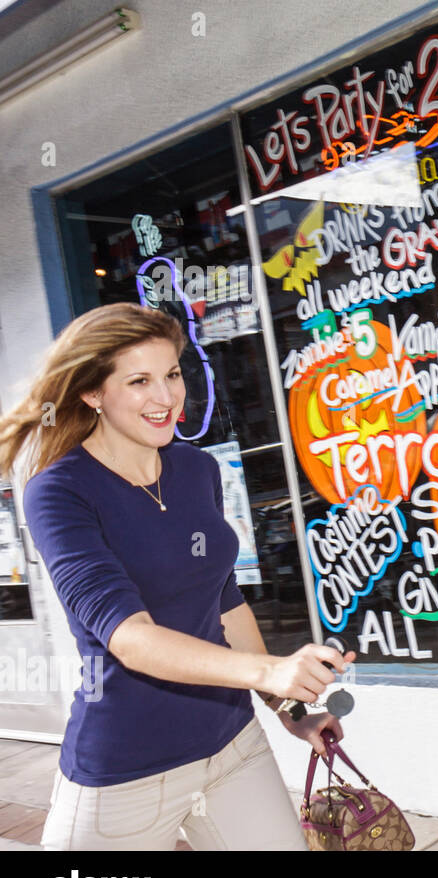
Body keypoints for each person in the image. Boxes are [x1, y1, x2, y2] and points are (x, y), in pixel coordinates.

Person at [0, 302, 355, 850]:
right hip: (125, 769)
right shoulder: (59, 492)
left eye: (170, 375)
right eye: (139, 381)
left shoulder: (196, 470)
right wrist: (269, 671)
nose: (166, 397)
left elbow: (224, 600)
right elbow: (132, 640)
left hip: (232, 745)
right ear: (93, 393)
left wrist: (291, 710)